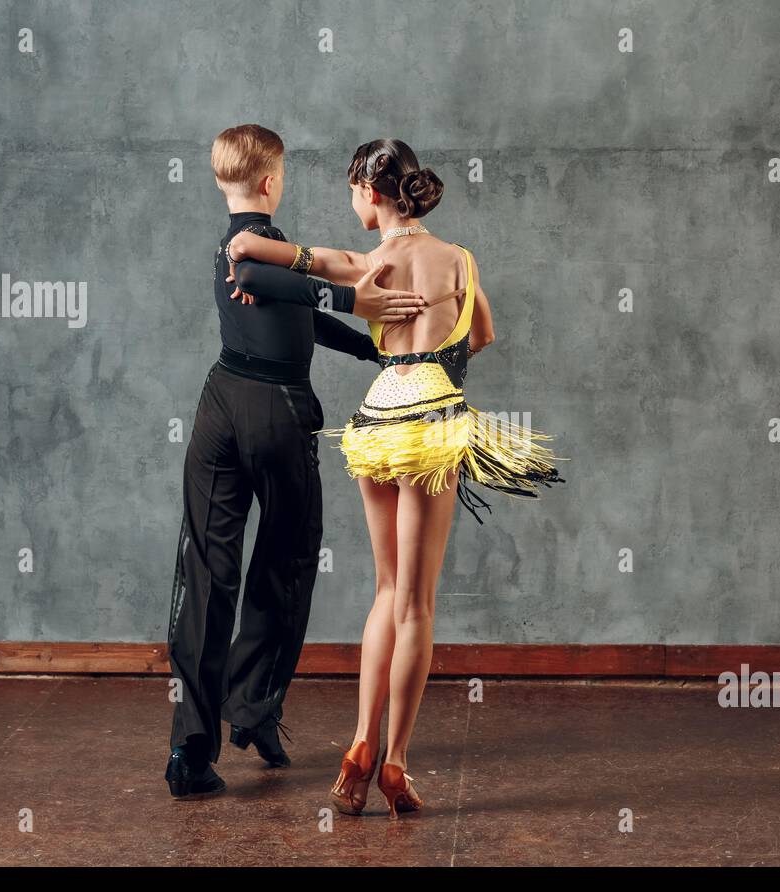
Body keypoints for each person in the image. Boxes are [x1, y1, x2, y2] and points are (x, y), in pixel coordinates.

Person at [223, 138, 564, 817]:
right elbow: (484, 334)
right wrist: (440, 336)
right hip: (434, 420)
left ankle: (357, 744)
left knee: (384, 591)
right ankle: (396, 763)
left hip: (377, 421)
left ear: (369, 193)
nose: (353, 204)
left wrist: (244, 259)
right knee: (416, 603)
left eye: (353, 194)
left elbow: (263, 254)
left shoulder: (366, 263)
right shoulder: (459, 260)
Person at [164, 125, 426, 800]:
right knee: (285, 565)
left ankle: (203, 743)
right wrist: (351, 297)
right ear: (271, 181)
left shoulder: (244, 249)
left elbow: (291, 310)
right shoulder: (249, 252)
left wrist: (372, 348)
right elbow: (261, 278)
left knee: (206, 571)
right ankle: (245, 713)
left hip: (218, 407)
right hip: (274, 409)